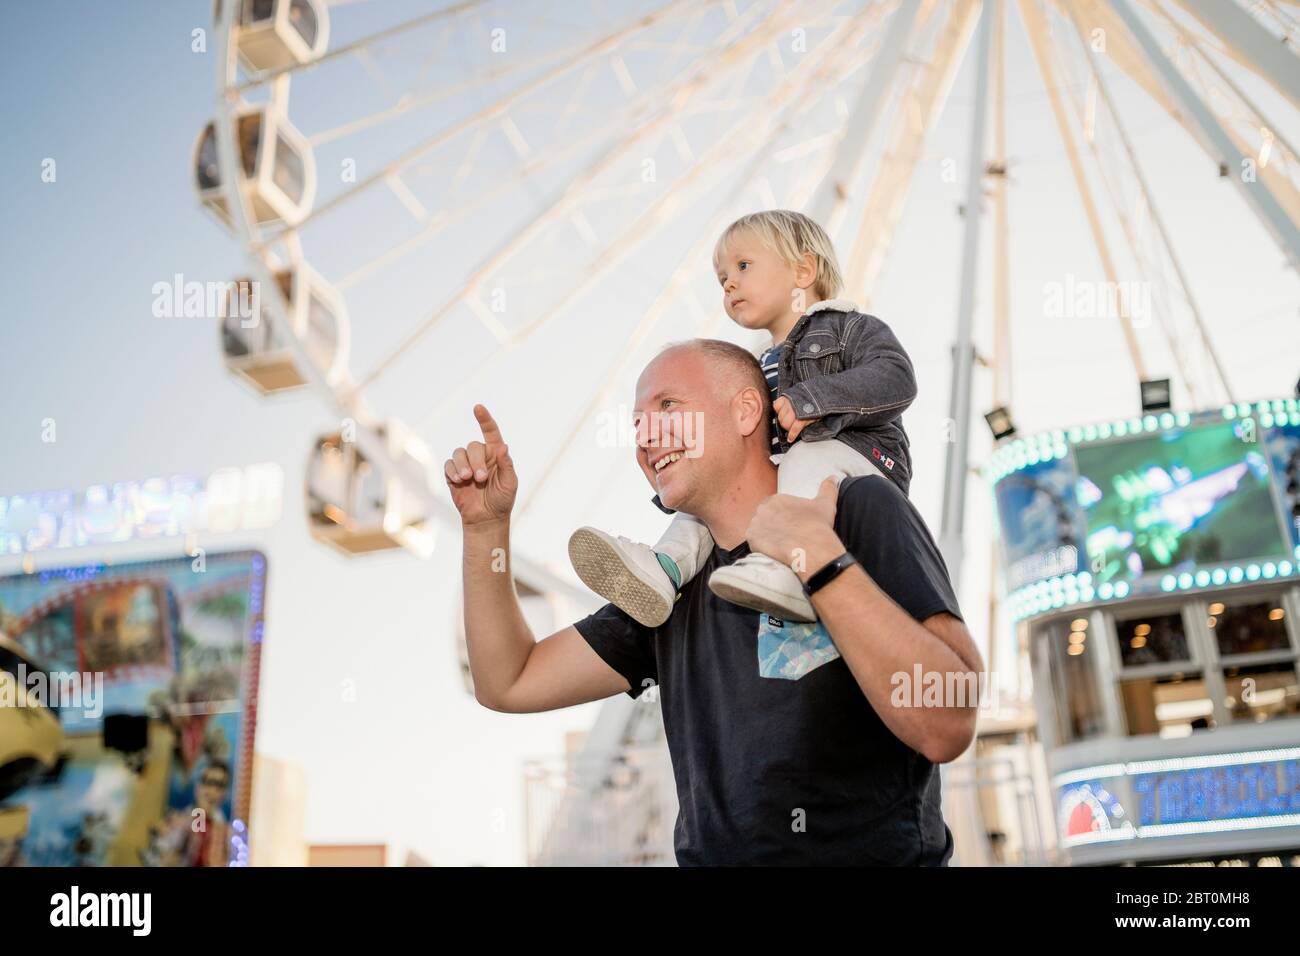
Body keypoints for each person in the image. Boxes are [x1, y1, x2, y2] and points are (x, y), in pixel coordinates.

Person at [444, 341, 982, 865]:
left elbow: (948, 723)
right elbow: (508, 680)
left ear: (747, 410)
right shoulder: (666, 587)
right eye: (636, 422)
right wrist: (485, 528)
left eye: (667, 406)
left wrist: (818, 558)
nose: (644, 436)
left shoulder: (853, 507)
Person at [568, 210, 917, 626]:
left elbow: (896, 377)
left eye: (743, 266)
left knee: (808, 454)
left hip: (865, 460)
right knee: (706, 500)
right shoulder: (761, 361)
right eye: (722, 279)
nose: (729, 283)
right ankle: (666, 569)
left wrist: (813, 400)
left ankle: (788, 567)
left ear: (804, 269)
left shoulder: (848, 328)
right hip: (795, 469)